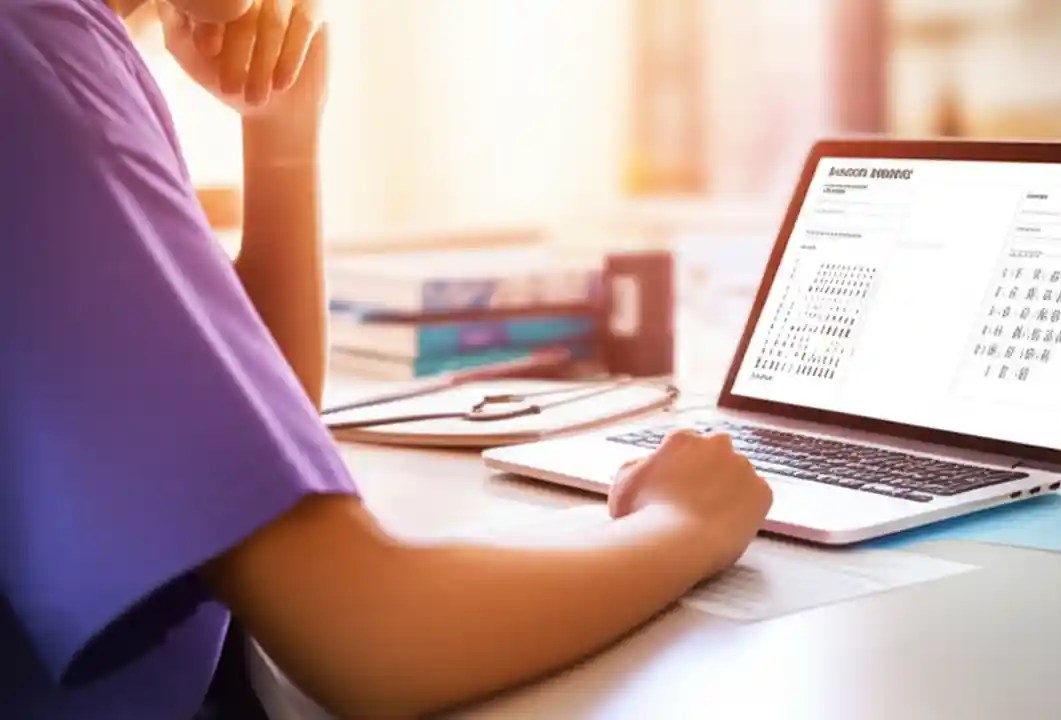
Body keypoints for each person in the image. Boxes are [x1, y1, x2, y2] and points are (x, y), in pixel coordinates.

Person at [0, 0, 772, 717]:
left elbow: (256, 447)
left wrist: (281, 134)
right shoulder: (37, 58)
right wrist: (684, 523)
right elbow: (367, 633)